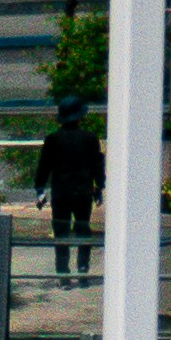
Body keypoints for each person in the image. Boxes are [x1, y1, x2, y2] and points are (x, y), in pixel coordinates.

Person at [39, 106, 106, 283]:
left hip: (61, 192)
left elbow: (44, 166)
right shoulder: (90, 138)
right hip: (83, 191)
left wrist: (39, 188)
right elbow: (98, 164)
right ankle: (83, 270)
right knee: (83, 228)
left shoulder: (53, 139)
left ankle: (63, 273)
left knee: (61, 231)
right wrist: (99, 187)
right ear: (79, 118)